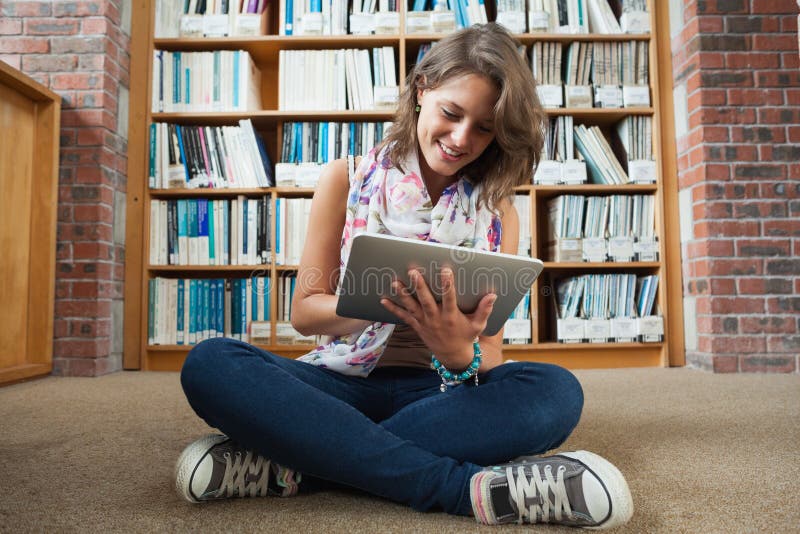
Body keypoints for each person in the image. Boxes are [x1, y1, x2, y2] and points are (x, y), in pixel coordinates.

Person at [176, 23, 633, 528]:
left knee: (555, 391)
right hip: (338, 381)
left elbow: (492, 355)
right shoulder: (343, 178)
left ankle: (304, 458)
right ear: (421, 93)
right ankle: (463, 490)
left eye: (484, 128)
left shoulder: (499, 212)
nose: (462, 139)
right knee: (213, 363)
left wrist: (456, 350)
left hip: (438, 396)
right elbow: (305, 313)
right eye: (451, 114)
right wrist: (374, 305)